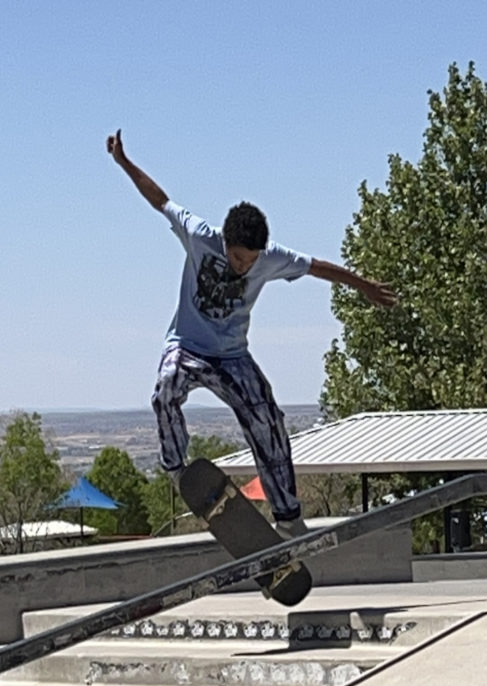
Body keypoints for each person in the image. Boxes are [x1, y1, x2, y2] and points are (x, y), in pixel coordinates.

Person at [106, 129, 397, 537]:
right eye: (239, 258)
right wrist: (124, 163)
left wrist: (363, 284)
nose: (245, 267)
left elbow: (317, 267)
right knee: (166, 385)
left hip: (232, 357)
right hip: (187, 347)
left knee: (268, 420)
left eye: (251, 261)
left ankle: (289, 515)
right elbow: (160, 200)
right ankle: (177, 470)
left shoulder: (270, 258)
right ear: (225, 242)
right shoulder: (198, 236)